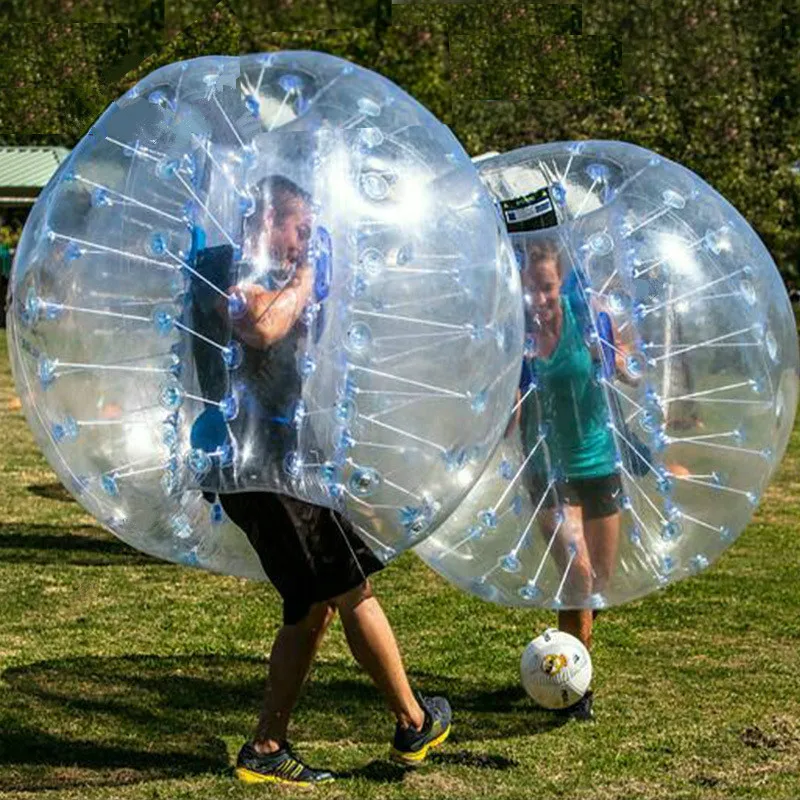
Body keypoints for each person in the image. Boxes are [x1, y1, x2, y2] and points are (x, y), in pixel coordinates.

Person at [190, 175, 451, 785]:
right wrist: (306, 280)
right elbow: (258, 328)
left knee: (312, 606)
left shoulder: (264, 274)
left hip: (279, 467)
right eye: (298, 229)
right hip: (259, 469)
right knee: (349, 587)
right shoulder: (227, 269)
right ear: (267, 218)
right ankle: (413, 722)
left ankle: (265, 747)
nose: (304, 243)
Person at [510, 238, 685, 721]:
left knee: (598, 583)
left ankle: (568, 660)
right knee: (578, 575)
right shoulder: (512, 330)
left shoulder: (589, 318)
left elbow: (627, 367)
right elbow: (508, 400)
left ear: (560, 281)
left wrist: (623, 362)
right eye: (531, 290)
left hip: (598, 462)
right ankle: (573, 687)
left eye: (547, 288)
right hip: (548, 468)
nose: (540, 299)